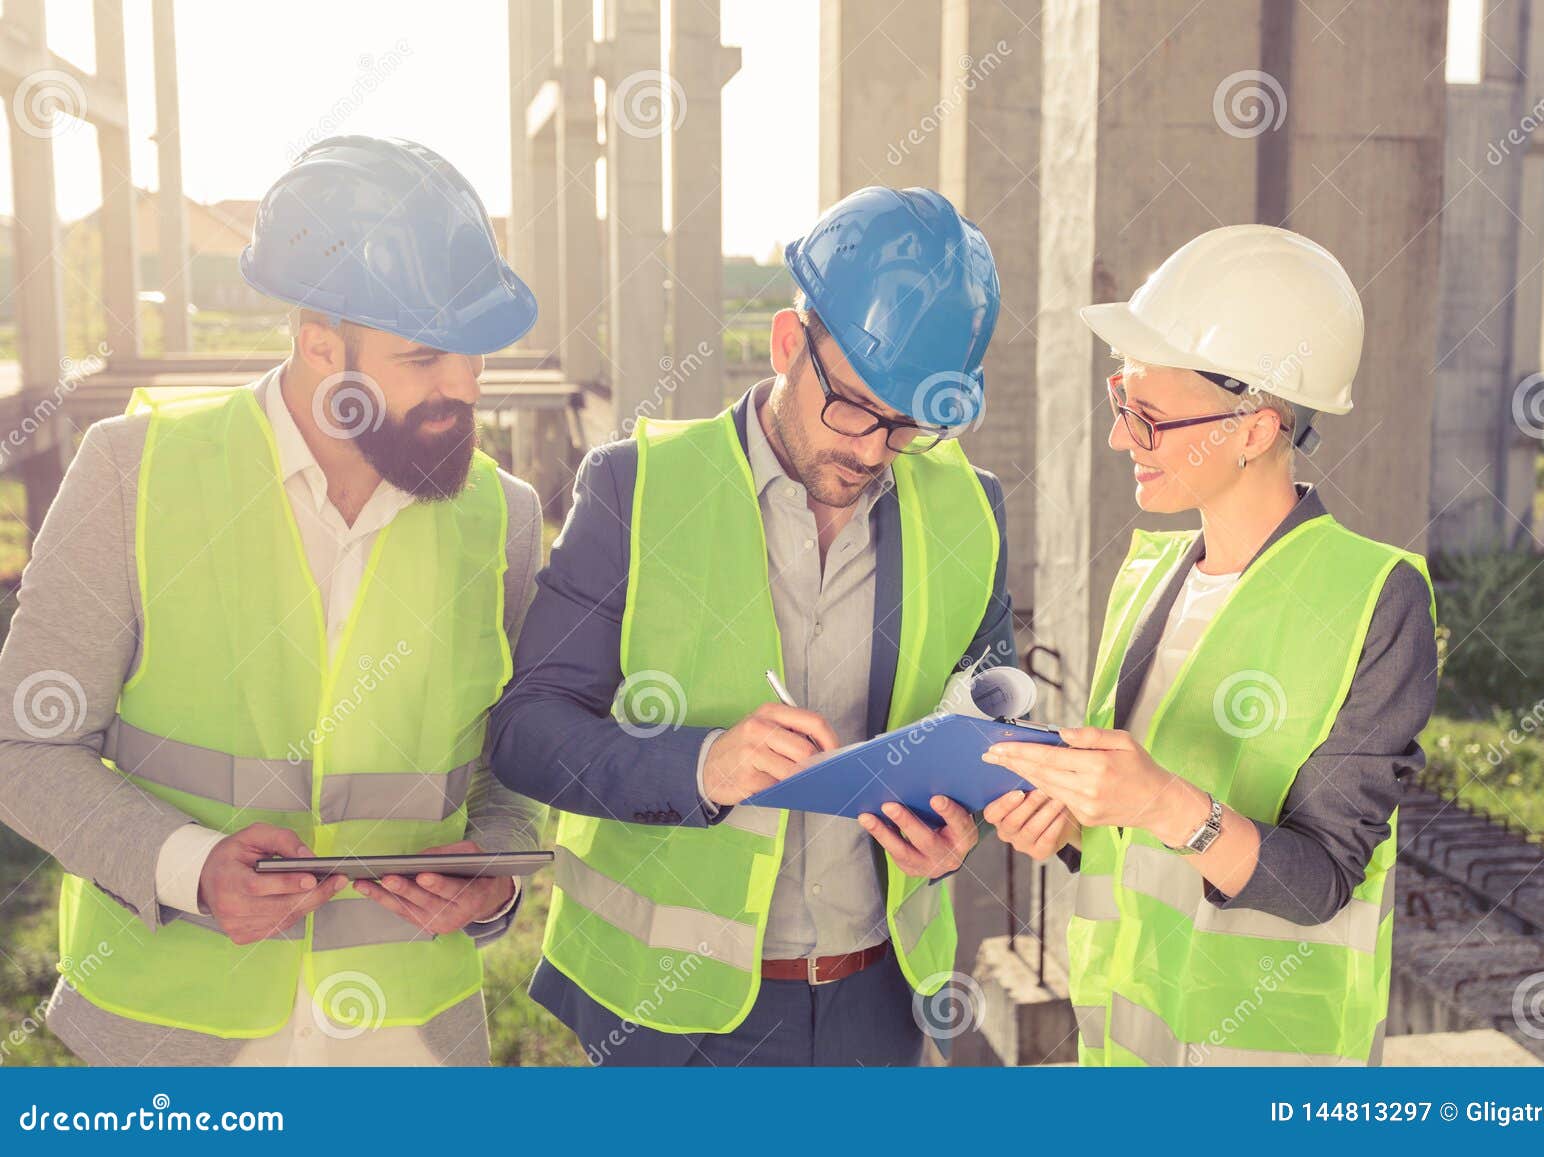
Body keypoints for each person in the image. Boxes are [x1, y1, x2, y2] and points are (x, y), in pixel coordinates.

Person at [0, 135, 543, 1066]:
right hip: (172, 1042)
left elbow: (516, 764)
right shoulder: (134, 475)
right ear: (319, 343)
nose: (464, 387)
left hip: (411, 1042)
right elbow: (25, 744)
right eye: (424, 358)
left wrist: (496, 877)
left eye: (475, 356)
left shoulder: (505, 515)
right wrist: (188, 867)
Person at [490, 186, 1012, 1066]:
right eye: (854, 407)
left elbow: (990, 718)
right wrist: (703, 766)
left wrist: (965, 823)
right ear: (785, 344)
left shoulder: (970, 509)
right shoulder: (634, 487)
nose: (872, 449)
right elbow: (526, 732)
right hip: (668, 1023)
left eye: (907, 426)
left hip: (879, 1008)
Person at [983, 224, 1438, 1066]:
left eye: (1149, 418)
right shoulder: (1149, 575)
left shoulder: (1375, 598)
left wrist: (1161, 800)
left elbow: (1322, 880)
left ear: (1255, 430)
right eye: (1121, 402)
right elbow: (1134, 837)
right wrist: (1071, 823)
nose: (1121, 438)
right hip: (1126, 1055)